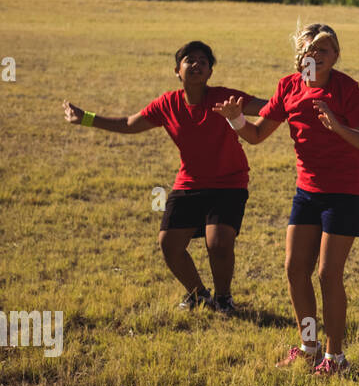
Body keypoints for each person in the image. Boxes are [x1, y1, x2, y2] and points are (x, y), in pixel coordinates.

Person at [214, 24, 359, 377]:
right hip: (307, 191)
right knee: (294, 269)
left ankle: (335, 359)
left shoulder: (347, 89)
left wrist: (337, 126)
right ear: (299, 54)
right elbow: (257, 134)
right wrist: (235, 120)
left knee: (328, 273)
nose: (317, 56)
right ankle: (309, 346)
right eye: (311, 49)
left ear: (336, 57)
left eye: (325, 50)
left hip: (346, 191)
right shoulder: (288, 87)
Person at [62, 41, 266, 313]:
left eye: (203, 61)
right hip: (190, 183)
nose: (196, 65)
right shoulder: (167, 104)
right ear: (177, 70)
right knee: (169, 244)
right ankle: (198, 295)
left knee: (218, 242)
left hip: (229, 182)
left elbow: (268, 108)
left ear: (210, 73)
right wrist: (85, 118)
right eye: (189, 60)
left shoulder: (224, 97)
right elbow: (128, 124)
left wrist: (295, 98)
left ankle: (223, 298)